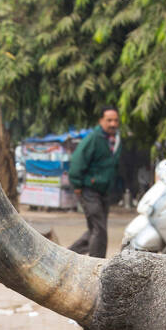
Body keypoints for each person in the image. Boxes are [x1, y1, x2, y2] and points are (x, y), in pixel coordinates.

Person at [67, 106, 122, 258]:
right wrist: (77, 185)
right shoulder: (93, 138)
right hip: (88, 189)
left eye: (115, 120)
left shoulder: (116, 140)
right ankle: (97, 264)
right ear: (101, 121)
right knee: (99, 229)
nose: (113, 124)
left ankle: (69, 254)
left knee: (95, 229)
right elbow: (78, 161)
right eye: (109, 120)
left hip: (104, 191)